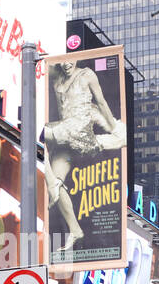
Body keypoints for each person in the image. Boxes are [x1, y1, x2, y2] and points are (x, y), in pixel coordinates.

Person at [42, 58, 126, 255]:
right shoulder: (57, 77)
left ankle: (52, 184)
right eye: (62, 62)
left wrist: (115, 129)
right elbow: (46, 67)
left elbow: (101, 102)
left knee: (34, 134)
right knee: (56, 181)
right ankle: (75, 230)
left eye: (69, 61)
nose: (66, 64)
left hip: (76, 130)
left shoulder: (87, 74)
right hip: (64, 135)